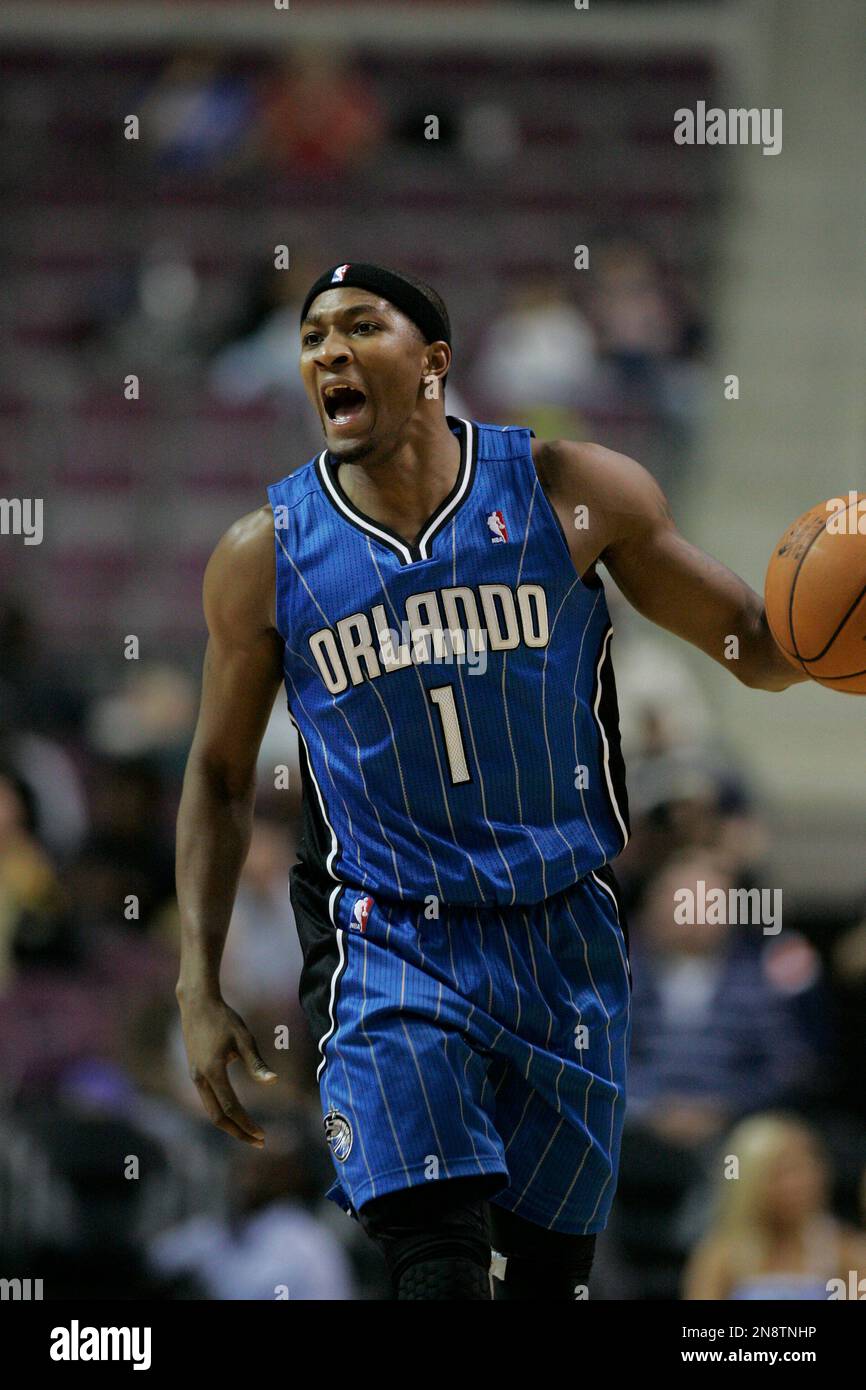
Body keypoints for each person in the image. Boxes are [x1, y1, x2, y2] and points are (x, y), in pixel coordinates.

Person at [175, 262, 808, 1302]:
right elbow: (214, 773)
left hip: (559, 929)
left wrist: (831, 638)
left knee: (546, 1278)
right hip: (389, 933)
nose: (326, 350)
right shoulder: (264, 555)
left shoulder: (572, 491)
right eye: (310, 337)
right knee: (437, 1261)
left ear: (433, 364)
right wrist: (195, 980)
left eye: (358, 327)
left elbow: (748, 641)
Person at [682, 1114, 866, 1300]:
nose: (797, 1185)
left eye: (805, 1169)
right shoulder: (720, 1256)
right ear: (749, 1182)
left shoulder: (848, 1252)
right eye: (781, 1173)